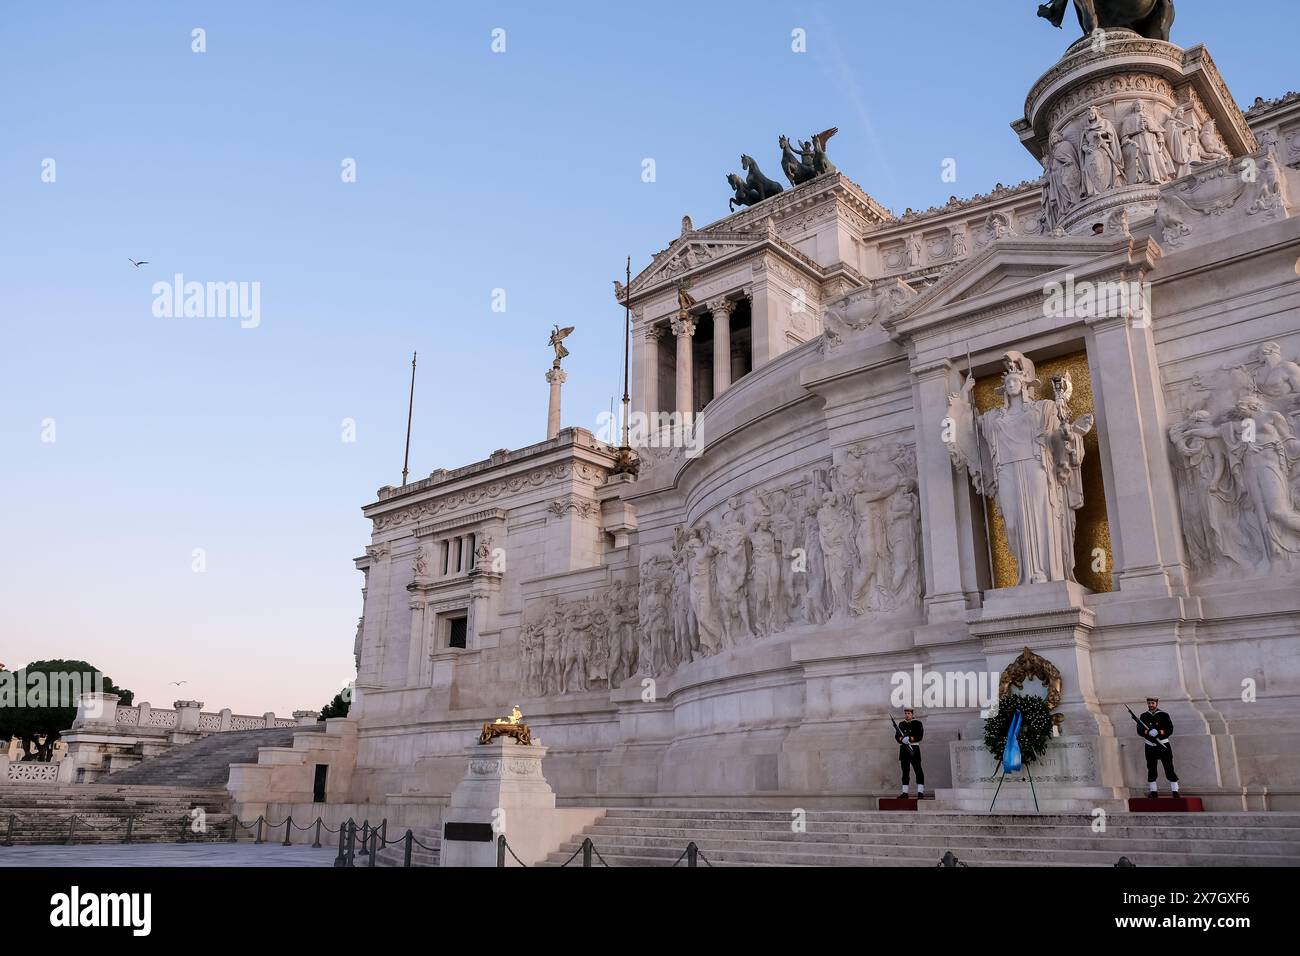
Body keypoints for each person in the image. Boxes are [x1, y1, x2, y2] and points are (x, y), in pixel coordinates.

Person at [1138, 696, 1179, 797]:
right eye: (1149, 703)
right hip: (1150, 746)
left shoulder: (1164, 715)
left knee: (1169, 767)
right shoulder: (1143, 716)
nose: (1151, 705)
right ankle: (1153, 791)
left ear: (1157, 704)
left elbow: (1170, 729)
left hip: (1163, 745)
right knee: (1151, 768)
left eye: (1153, 703)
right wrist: (1147, 732)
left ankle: (1175, 791)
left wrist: (1159, 732)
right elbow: (1139, 730)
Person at [896, 708, 925, 799]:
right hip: (904, 750)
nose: (907, 715)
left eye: (908, 713)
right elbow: (897, 736)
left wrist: (910, 738)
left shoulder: (918, 723)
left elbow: (919, 736)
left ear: (912, 714)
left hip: (914, 749)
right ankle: (905, 793)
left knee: (918, 770)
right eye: (906, 713)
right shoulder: (901, 724)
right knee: (905, 771)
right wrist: (902, 739)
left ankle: (920, 792)